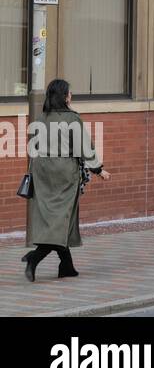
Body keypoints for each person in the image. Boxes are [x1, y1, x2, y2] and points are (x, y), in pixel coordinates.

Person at [23, 79, 110, 282]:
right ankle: (34, 258)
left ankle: (67, 266)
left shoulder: (42, 117)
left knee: (55, 218)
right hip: (63, 172)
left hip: (42, 171)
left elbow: (33, 146)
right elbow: (84, 147)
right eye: (69, 93)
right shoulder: (72, 119)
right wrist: (99, 169)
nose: (71, 96)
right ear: (64, 96)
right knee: (62, 218)